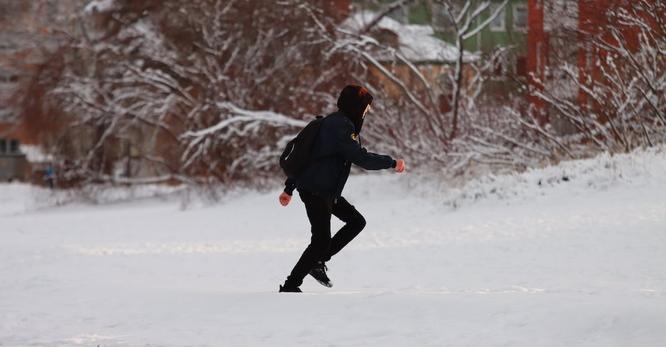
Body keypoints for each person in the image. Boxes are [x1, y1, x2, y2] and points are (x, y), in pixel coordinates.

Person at [278, 85, 406, 293]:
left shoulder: (335, 123)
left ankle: (317, 261)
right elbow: (361, 158)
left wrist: (289, 188)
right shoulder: (340, 128)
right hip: (316, 190)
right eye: (366, 107)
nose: (368, 111)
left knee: (356, 222)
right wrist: (391, 163)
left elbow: (307, 157)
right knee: (320, 241)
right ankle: (291, 285)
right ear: (357, 106)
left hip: (326, 190)